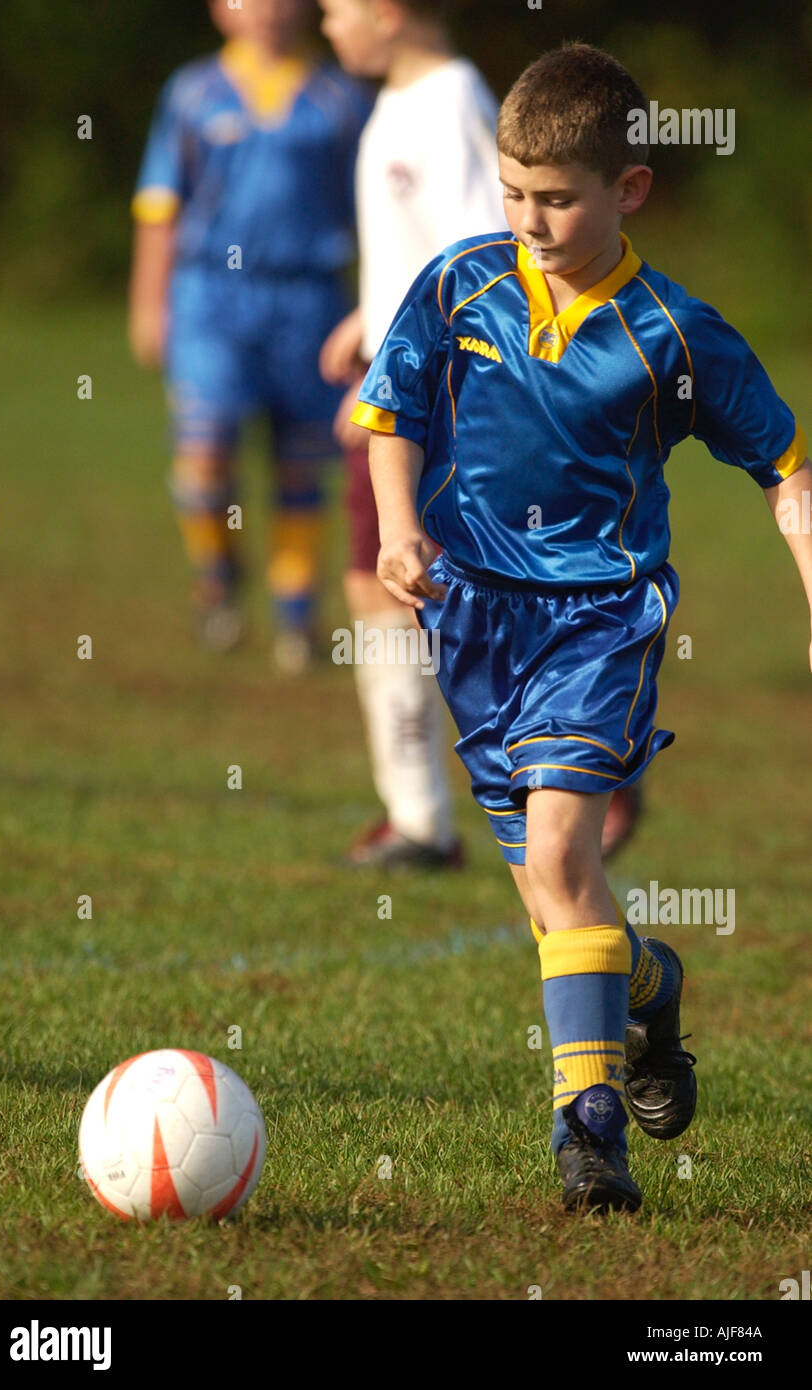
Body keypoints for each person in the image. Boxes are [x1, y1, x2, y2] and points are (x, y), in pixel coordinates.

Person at [352, 43, 810, 1211]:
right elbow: (392, 405)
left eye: (556, 198)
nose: (530, 220)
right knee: (563, 906)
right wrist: (401, 528)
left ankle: (587, 1133)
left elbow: (788, 470)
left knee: (566, 854)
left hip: (601, 620)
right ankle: (651, 992)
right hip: (473, 624)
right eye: (512, 194)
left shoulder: (673, 333)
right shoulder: (463, 282)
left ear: (631, 189)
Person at [128, 0, 372, 667]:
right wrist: (149, 302)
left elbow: (376, 208)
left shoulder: (341, 98)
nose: (265, 10)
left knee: (302, 460)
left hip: (308, 297)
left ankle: (297, 619)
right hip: (209, 294)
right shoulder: (192, 92)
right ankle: (219, 581)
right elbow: (159, 201)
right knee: (204, 450)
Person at [318, 0, 501, 867]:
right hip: (395, 378)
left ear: (386, 13)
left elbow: (481, 263)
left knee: (412, 587)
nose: (325, 25)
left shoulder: (452, 99)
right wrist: (368, 320)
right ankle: (420, 813)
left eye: (334, 9)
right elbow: (423, 257)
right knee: (383, 586)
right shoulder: (394, 100)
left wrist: (403, 394)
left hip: (434, 394)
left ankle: (430, 816)